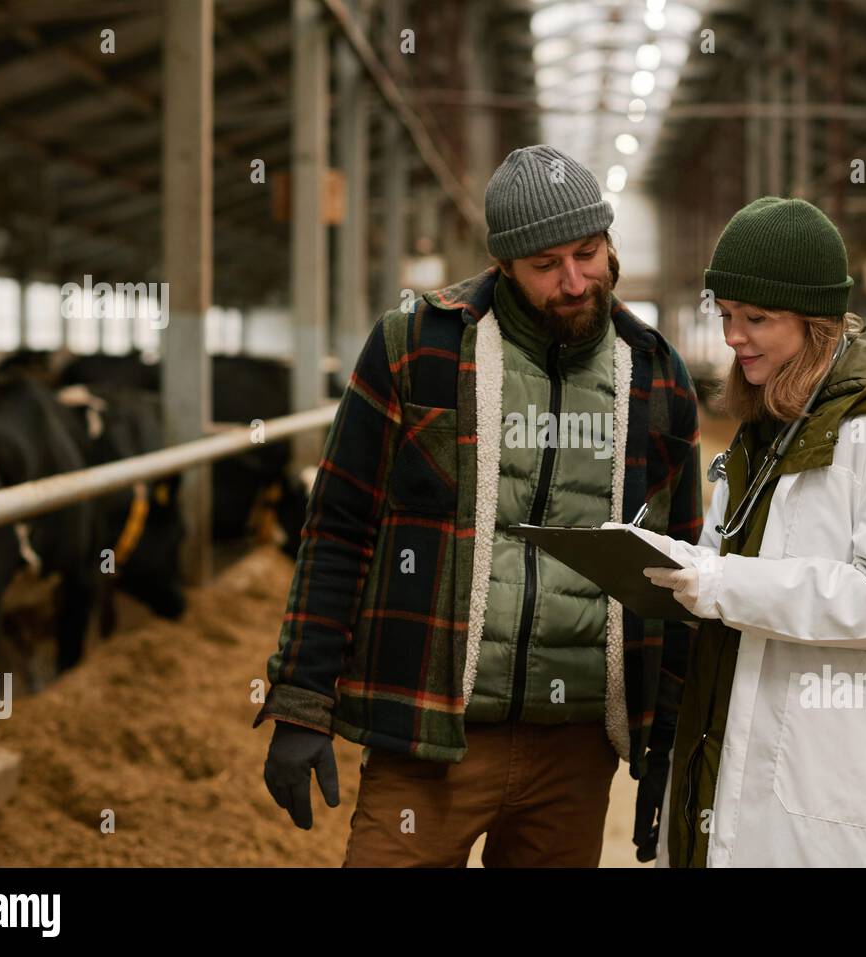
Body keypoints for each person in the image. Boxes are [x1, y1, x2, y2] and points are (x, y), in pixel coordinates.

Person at [255, 144, 703, 867]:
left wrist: (665, 741)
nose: (573, 281)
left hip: (576, 745)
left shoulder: (655, 375)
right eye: (545, 265)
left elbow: (678, 570)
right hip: (429, 734)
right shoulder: (416, 347)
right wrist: (301, 697)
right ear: (503, 265)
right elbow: (338, 525)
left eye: (589, 253)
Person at [609, 196, 866, 867]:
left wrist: (719, 583)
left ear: (816, 323)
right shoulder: (770, 428)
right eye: (726, 315)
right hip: (740, 744)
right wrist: (665, 565)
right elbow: (731, 566)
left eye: (756, 318)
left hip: (838, 777)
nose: (732, 336)